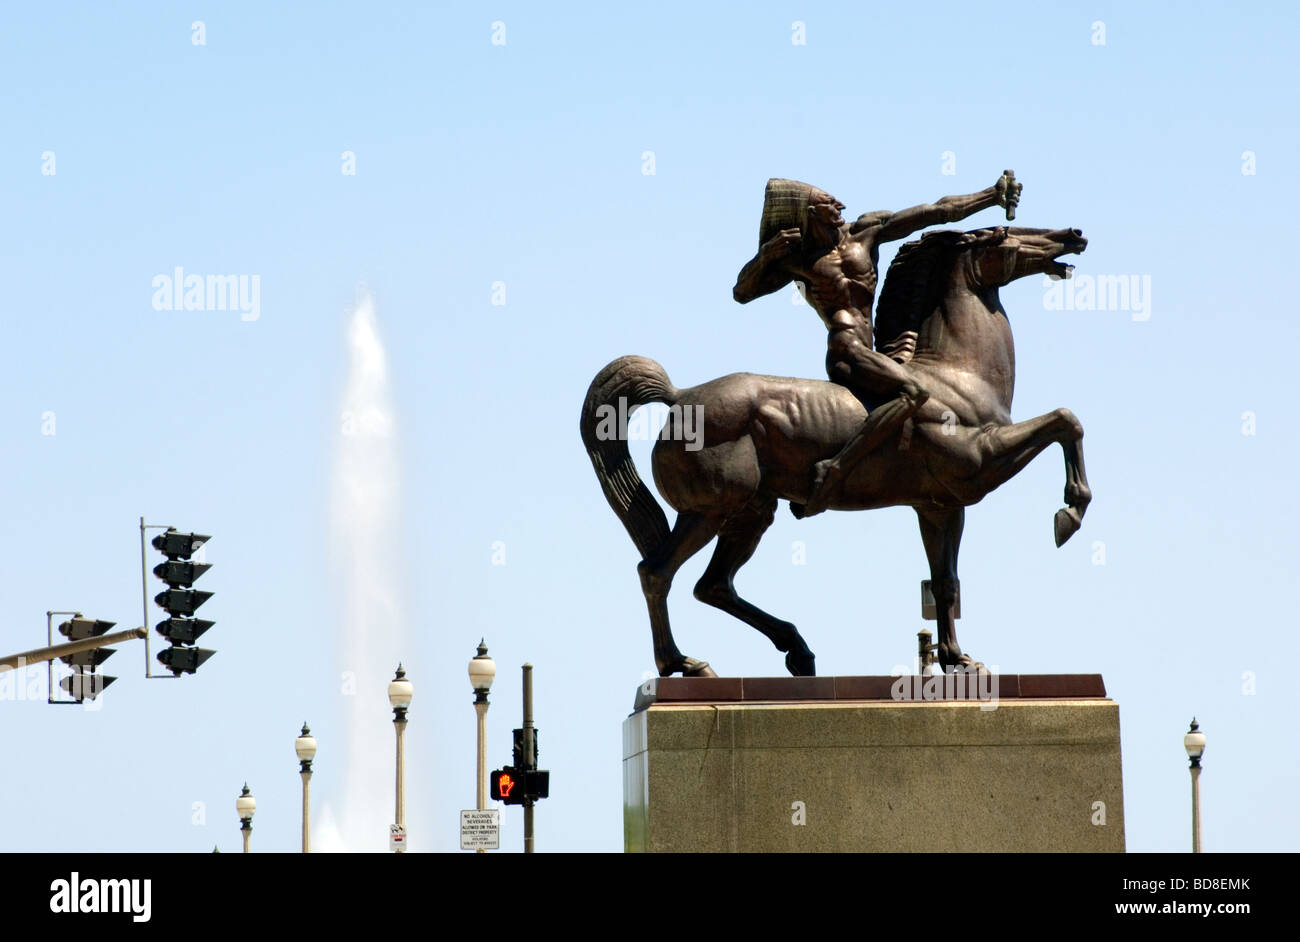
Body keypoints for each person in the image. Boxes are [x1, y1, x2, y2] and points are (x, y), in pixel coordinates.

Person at [733, 172, 1021, 516]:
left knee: (916, 397)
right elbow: (742, 292)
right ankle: (835, 469)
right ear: (808, 212)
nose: (839, 204)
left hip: (873, 353)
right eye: (827, 202)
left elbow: (936, 210)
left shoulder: (866, 231)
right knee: (915, 392)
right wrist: (766, 256)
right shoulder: (799, 257)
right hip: (846, 351)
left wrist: (991, 195)